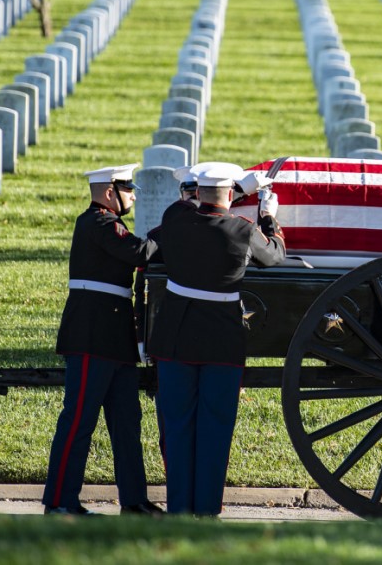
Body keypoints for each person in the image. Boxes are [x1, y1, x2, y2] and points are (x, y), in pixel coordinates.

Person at [146, 161, 285, 516]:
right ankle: (207, 509)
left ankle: (179, 507)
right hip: (222, 343)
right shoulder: (243, 230)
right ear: (230, 194)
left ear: (195, 190)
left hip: (176, 338)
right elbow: (275, 255)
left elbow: (193, 205)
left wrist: (239, 188)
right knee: (215, 430)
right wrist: (268, 215)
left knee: (176, 428)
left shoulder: (175, 219)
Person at [43, 163, 163, 516]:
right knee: (78, 420)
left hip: (114, 337)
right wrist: (170, 233)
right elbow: (140, 253)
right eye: (129, 189)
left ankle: (134, 499)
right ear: (110, 192)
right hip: (92, 335)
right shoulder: (98, 222)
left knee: (127, 423)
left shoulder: (110, 224)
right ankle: (60, 501)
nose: (133, 195)